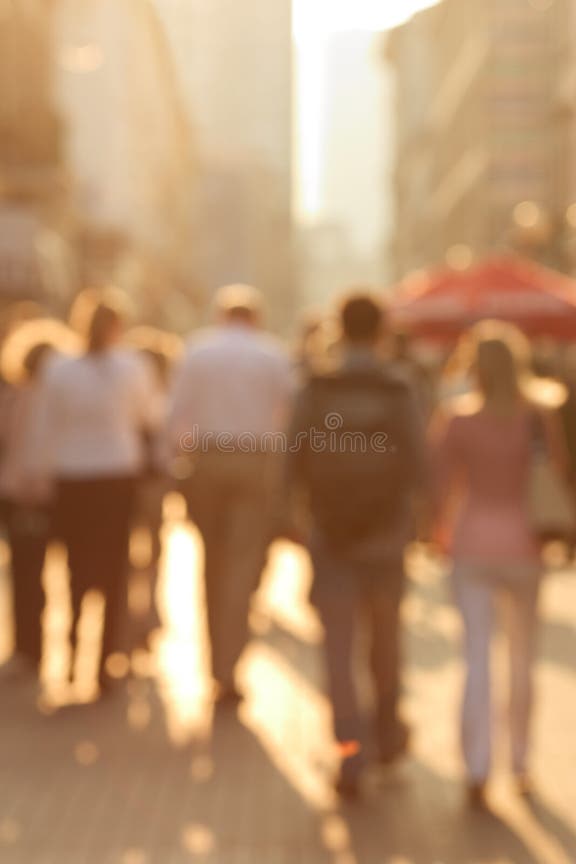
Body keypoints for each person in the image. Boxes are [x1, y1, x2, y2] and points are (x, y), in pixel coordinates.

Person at [286, 291, 429, 796]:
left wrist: (296, 518)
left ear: (339, 330)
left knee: (338, 652)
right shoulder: (398, 389)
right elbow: (418, 461)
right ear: (383, 331)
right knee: (386, 645)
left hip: (331, 536)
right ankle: (387, 733)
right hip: (387, 537)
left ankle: (350, 755)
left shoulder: (317, 387)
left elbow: (293, 457)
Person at [431, 321, 566, 809]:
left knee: (477, 659)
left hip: (471, 545)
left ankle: (477, 764)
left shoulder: (457, 418)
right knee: (523, 659)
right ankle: (523, 761)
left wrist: (433, 533)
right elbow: (558, 474)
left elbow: (438, 485)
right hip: (526, 546)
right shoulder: (537, 416)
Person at [167, 284, 293, 703]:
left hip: (208, 461)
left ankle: (215, 663)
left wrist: (177, 460)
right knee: (242, 564)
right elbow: (290, 415)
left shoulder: (198, 351)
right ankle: (229, 665)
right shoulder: (272, 354)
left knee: (211, 563)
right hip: (255, 462)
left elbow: (175, 414)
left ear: (222, 316)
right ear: (254, 317)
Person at [32, 290, 160, 699]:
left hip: (72, 479)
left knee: (74, 569)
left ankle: (71, 654)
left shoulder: (59, 369)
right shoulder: (131, 368)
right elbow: (151, 417)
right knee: (114, 571)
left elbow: (45, 425)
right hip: (115, 478)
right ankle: (105, 662)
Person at [0, 319, 77, 681]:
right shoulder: (61, 398)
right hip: (56, 492)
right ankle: (58, 647)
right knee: (59, 572)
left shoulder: (15, 396)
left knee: (26, 573)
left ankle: (29, 648)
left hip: (22, 493)